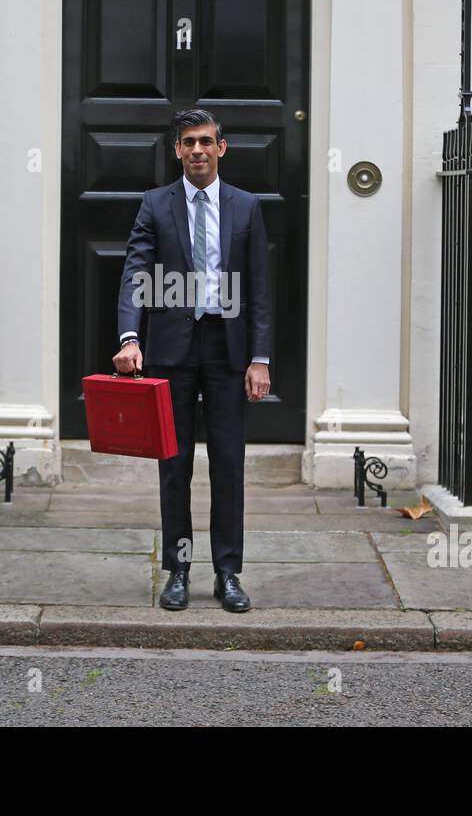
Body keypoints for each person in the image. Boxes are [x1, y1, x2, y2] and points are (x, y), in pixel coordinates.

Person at [112, 109, 273, 613]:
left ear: (221, 148)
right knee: (174, 465)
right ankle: (179, 570)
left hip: (228, 352)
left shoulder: (246, 207)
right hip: (171, 353)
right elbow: (136, 271)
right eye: (188, 143)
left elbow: (261, 290)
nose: (198, 150)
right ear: (177, 150)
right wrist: (130, 337)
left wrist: (260, 358)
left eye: (206, 141)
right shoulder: (155, 204)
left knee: (228, 464)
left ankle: (228, 573)